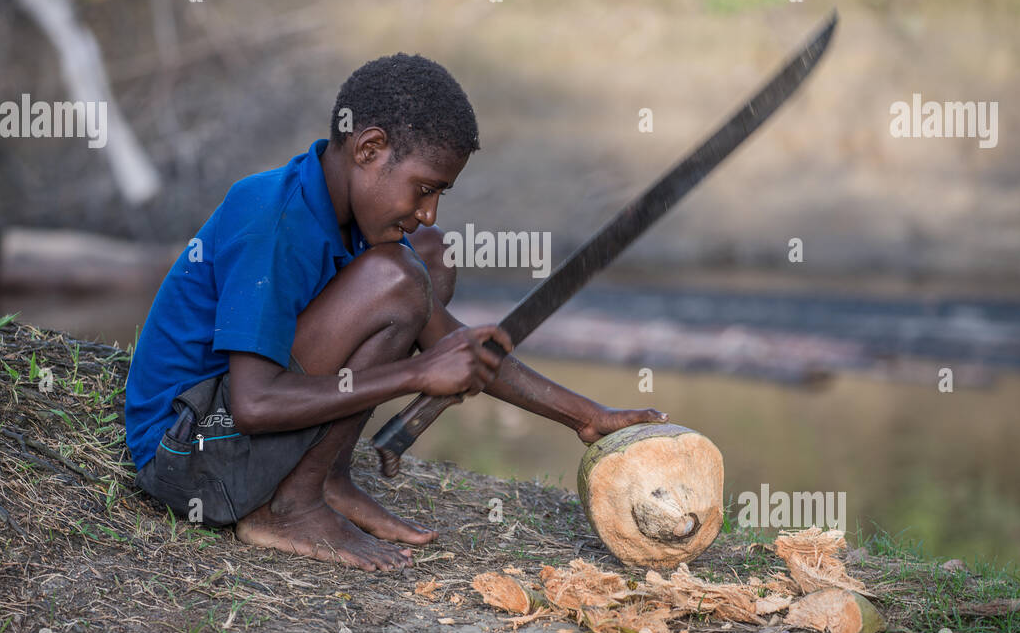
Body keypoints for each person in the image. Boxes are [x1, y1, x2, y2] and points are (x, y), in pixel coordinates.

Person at [124, 53, 665, 571]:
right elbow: (252, 405)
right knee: (401, 278)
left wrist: (587, 417)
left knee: (428, 255)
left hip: (232, 438)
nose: (428, 209)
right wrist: (414, 374)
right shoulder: (273, 218)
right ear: (369, 149)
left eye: (440, 193)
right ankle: (288, 510)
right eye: (424, 189)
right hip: (189, 455)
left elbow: (451, 345)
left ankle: (325, 478)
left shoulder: (350, 215)